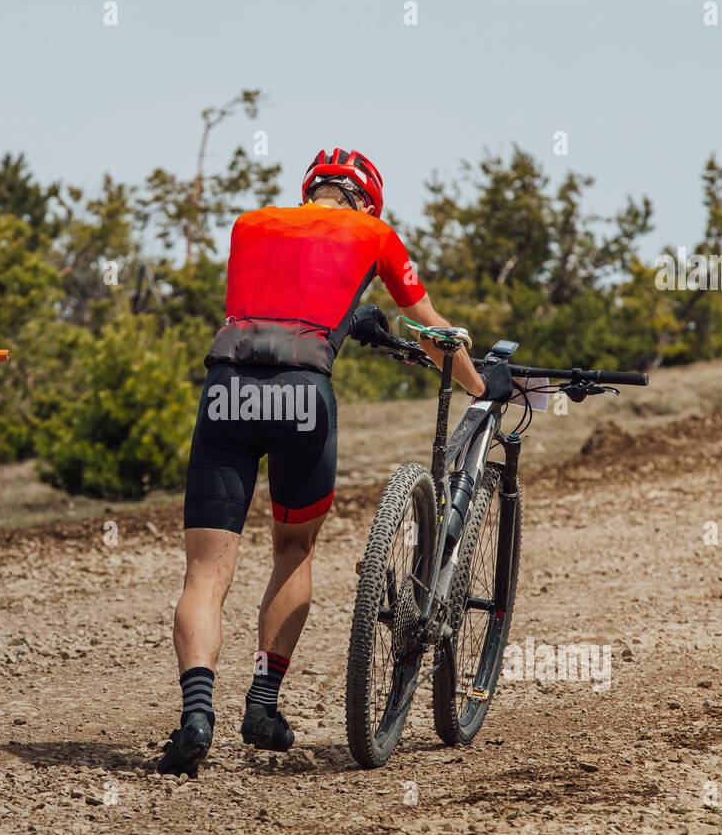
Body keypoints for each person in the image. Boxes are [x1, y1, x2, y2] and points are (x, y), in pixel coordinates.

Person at [158, 148, 513, 775]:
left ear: (310, 190)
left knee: (205, 574)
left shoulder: (249, 223)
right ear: (367, 199)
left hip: (226, 387)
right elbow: (432, 328)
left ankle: (196, 716)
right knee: (293, 550)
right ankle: (262, 705)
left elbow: (285, 293)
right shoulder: (373, 232)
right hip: (302, 392)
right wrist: (481, 388)